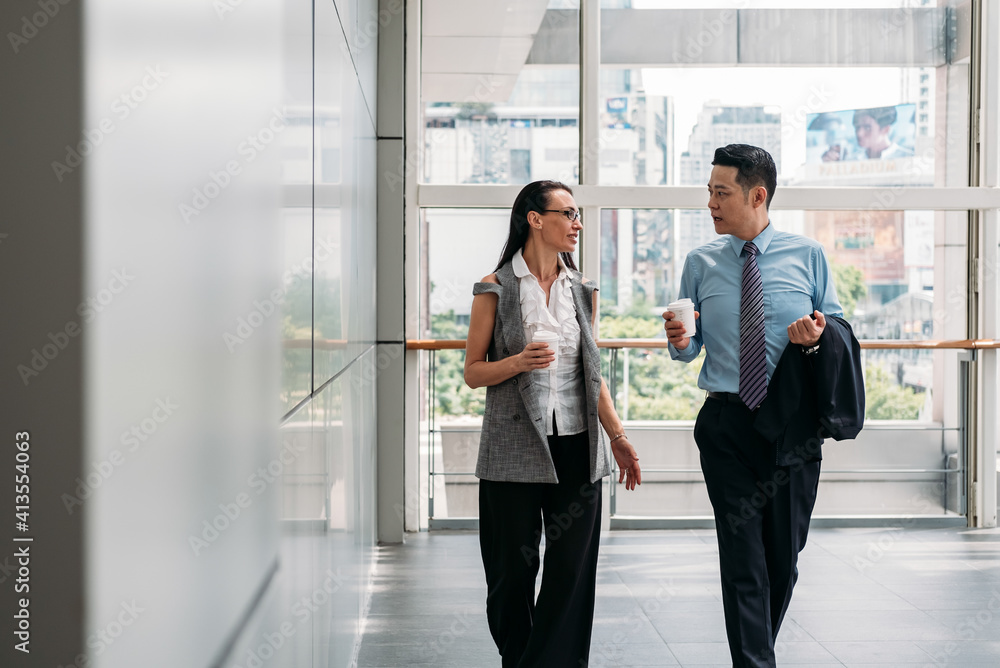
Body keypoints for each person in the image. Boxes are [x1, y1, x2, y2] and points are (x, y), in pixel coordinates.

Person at [663, 145, 847, 667]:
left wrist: (817, 336)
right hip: (726, 424)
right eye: (709, 192)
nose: (711, 204)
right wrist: (681, 340)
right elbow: (689, 349)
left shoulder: (808, 255)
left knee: (782, 561)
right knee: (742, 558)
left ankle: (756, 652)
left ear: (757, 195)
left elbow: (836, 329)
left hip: (792, 426)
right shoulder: (700, 263)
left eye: (721, 193)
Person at [465, 180, 642, 667]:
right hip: (513, 448)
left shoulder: (583, 289)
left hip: (577, 446)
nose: (577, 224)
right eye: (568, 214)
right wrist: (518, 362)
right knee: (510, 576)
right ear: (535, 219)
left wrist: (618, 436)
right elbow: (473, 372)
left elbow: (593, 375)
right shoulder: (495, 288)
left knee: (571, 574)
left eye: (577, 214)